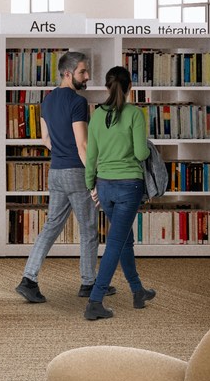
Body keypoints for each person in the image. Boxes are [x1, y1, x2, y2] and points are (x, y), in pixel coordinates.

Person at [14, 51, 99, 304]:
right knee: (89, 229)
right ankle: (88, 283)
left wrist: (61, 153)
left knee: (51, 226)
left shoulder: (47, 100)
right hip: (76, 171)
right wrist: (92, 178)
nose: (87, 76)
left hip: (56, 172)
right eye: (83, 72)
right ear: (67, 73)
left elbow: (46, 140)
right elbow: (82, 144)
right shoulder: (78, 102)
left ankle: (29, 279)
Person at [84, 64, 156, 321]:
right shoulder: (135, 114)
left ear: (106, 87)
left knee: (124, 239)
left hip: (104, 185)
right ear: (130, 89)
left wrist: (90, 184)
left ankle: (138, 291)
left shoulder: (96, 116)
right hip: (129, 186)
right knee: (116, 242)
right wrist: (148, 150)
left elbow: (91, 156)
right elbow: (140, 154)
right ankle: (95, 301)